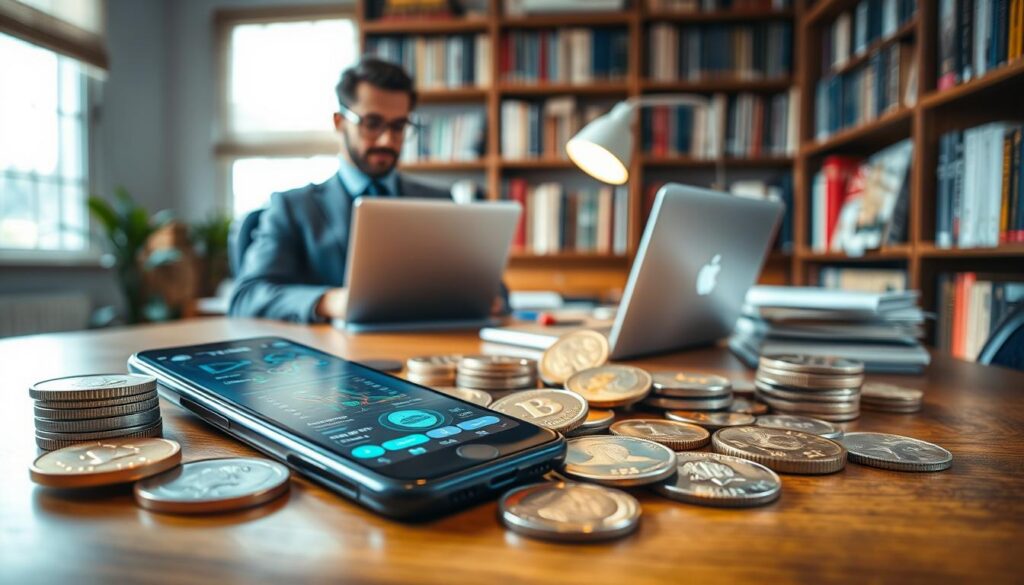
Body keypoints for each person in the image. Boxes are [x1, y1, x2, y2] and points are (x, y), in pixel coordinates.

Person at [229, 57, 455, 323]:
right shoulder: (292, 208)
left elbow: (491, 291)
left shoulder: (439, 202)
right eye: (372, 123)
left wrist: (489, 299)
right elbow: (247, 296)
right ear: (339, 122)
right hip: (333, 356)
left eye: (398, 126)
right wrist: (329, 302)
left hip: (426, 352)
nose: (387, 139)